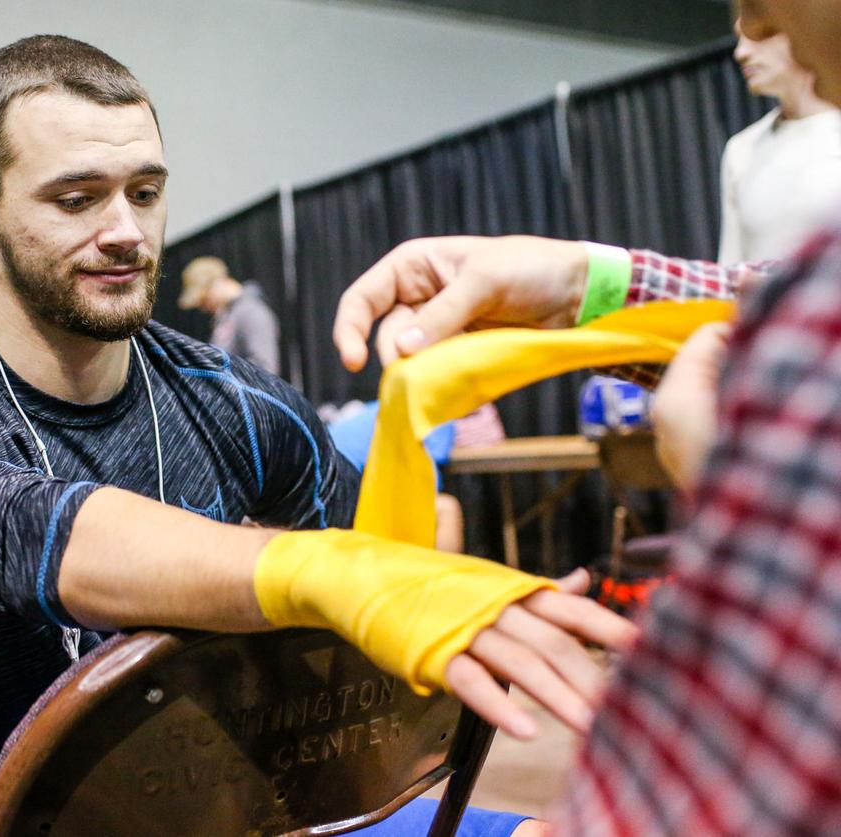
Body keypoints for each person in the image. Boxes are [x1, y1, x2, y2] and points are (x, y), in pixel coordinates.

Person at [0, 35, 633, 835]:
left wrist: (433, 575)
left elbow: (385, 543)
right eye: (77, 198)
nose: (126, 228)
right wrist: (322, 570)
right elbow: (30, 532)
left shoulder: (228, 399)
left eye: (146, 192)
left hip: (225, 800)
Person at [332, 0, 841, 823]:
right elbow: (763, 289)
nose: (747, 21)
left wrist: (741, 469)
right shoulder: (763, 183)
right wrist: (586, 285)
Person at [718, 19, 841, 264]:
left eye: (758, 35)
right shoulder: (742, 149)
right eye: (739, 38)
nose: (741, 52)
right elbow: (730, 273)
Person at [178, 255, 281, 374]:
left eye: (204, 299)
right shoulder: (227, 317)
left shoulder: (251, 312)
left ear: (217, 283)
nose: (204, 308)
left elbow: (265, 369)